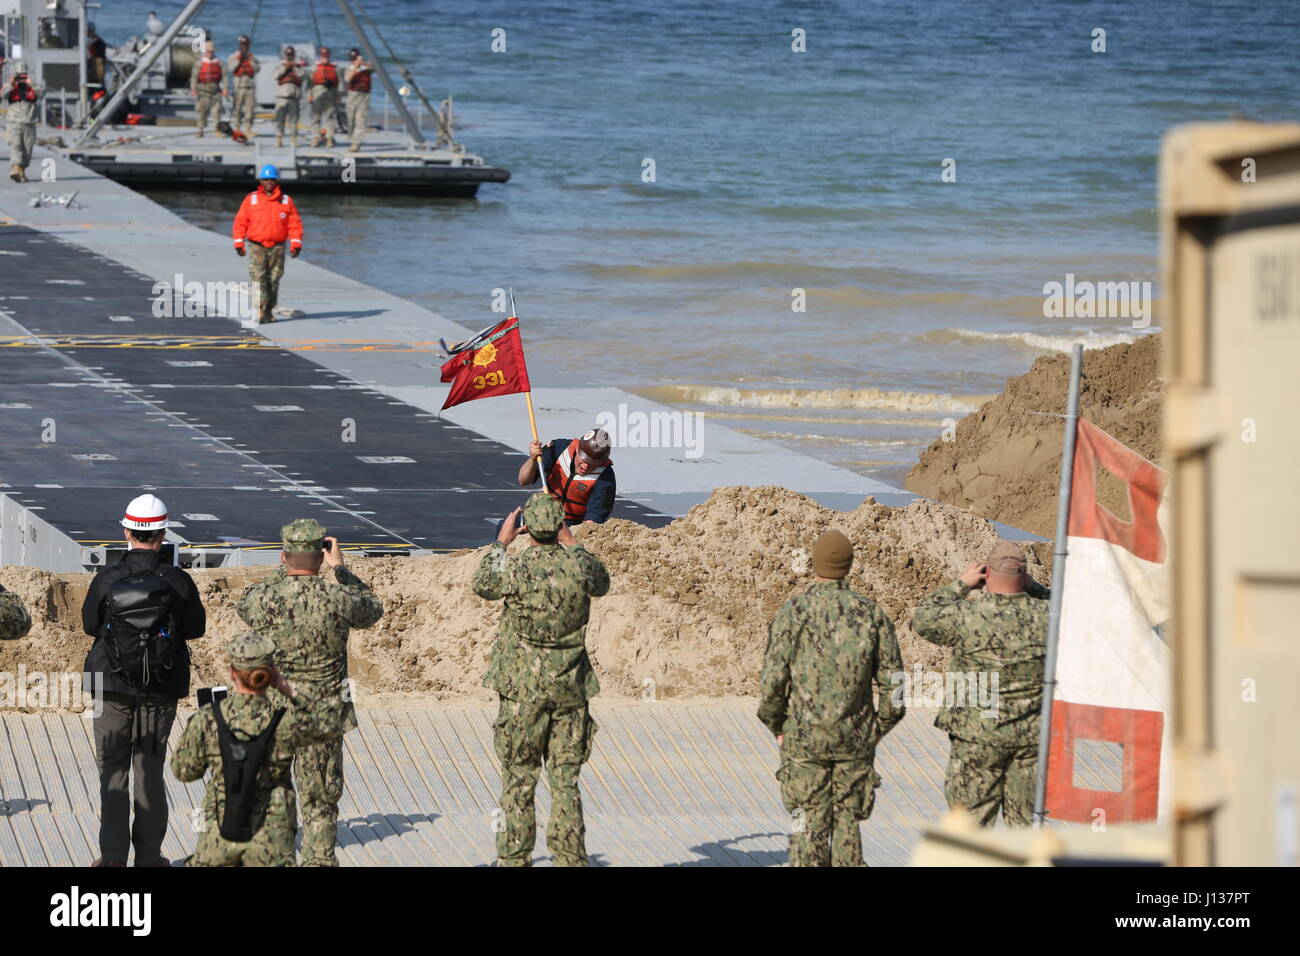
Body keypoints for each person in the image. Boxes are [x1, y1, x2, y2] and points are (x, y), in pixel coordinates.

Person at [471, 493, 610, 866]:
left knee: (518, 779)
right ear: (560, 527)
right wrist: (573, 542)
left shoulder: (515, 570)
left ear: (527, 528)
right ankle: (569, 858)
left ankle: (515, 858)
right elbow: (601, 581)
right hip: (570, 689)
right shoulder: (579, 569)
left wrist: (502, 542)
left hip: (522, 691)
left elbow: (483, 583)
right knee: (565, 781)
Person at [235, 519, 383, 867]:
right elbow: (372, 608)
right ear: (321, 555)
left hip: (275, 713)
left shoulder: (268, 598)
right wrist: (341, 569)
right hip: (324, 715)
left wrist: (283, 570)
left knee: (274, 795)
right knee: (320, 801)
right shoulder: (338, 597)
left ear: (284, 555)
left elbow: (246, 606)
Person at [757, 529, 905, 867]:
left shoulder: (794, 612)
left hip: (804, 741)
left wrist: (778, 727)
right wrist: (874, 729)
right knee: (848, 823)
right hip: (854, 740)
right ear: (849, 565)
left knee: (807, 822)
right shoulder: (872, 614)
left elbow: (772, 684)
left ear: (815, 564)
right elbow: (894, 685)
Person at [81, 494, 206, 867]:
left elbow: (90, 625)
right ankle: (149, 858)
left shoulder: (107, 578)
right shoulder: (176, 580)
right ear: (163, 534)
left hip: (112, 684)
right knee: (149, 769)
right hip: (160, 686)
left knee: (113, 771)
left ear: (126, 531)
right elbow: (195, 629)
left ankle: (113, 858)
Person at [171, 632, 345, 867]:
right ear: (271, 674)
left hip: (220, 829)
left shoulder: (209, 718)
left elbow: (184, 771)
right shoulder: (287, 720)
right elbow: (330, 724)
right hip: (272, 835)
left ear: (233, 673)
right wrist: (289, 691)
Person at [911, 540, 1049, 827]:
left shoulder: (968, 616)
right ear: (1023, 575)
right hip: (1030, 741)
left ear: (987, 574)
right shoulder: (1047, 617)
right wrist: (1034, 588)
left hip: (976, 739)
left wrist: (962, 584)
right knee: (1026, 830)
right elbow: (1073, 612)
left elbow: (923, 618)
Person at [232, 164, 303, 325]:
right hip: (257, 246)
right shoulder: (252, 199)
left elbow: (294, 224)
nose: (269, 182)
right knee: (258, 278)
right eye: (266, 179)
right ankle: (260, 310)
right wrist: (238, 242)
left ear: (276, 180)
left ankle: (269, 310)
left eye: (272, 179)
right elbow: (240, 222)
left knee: (274, 278)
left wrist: (296, 244)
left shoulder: (286, 201)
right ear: (261, 181)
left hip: (278, 247)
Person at [517, 427, 617, 526]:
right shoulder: (558, 449)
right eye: (584, 459)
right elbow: (523, 480)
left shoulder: (606, 478)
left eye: (592, 463)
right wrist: (532, 459)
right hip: (543, 515)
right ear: (578, 448)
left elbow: (592, 522)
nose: (585, 466)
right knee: (507, 525)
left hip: (573, 525)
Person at [4, 62, 41, 183]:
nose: (22, 78)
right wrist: (11, 83)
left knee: (27, 149)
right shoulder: (11, 85)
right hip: (14, 121)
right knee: (16, 146)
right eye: (20, 75)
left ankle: (21, 172)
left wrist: (32, 84)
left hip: (29, 121)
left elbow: (42, 93)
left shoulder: (33, 85)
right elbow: (2, 95)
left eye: (24, 75)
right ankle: (15, 169)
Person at [189, 40, 225, 137]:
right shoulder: (199, 63)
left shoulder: (219, 63)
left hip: (215, 91)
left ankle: (217, 130)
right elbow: (194, 77)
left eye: (212, 51)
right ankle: (200, 130)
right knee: (201, 111)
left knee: (217, 112)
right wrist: (193, 88)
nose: (210, 53)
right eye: (208, 51)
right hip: (203, 91)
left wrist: (225, 88)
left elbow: (224, 76)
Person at [226, 35, 259, 138]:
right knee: (237, 109)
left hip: (249, 86)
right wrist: (239, 60)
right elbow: (231, 69)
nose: (244, 47)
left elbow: (257, 69)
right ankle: (237, 128)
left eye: (246, 45)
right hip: (238, 86)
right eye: (242, 45)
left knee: (250, 109)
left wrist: (250, 61)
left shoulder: (252, 57)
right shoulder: (233, 56)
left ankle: (248, 129)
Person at [273, 45, 305, 147]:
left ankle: (293, 139)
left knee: (293, 119)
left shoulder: (298, 66)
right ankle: (278, 138)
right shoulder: (280, 65)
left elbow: (302, 76)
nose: (290, 57)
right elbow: (275, 75)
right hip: (282, 96)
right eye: (288, 55)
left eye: (291, 55)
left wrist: (294, 67)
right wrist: (285, 67)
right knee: (279, 119)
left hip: (294, 96)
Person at [343, 48, 373, 152]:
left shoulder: (366, 68)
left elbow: (374, 68)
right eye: (353, 59)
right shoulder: (350, 68)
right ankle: (351, 136)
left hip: (364, 95)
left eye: (356, 58)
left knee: (360, 118)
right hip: (353, 94)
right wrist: (356, 66)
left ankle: (356, 143)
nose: (355, 60)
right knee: (351, 117)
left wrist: (363, 63)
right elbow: (348, 78)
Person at [308, 46, 339, 148]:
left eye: (326, 55)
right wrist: (310, 95)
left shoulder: (334, 68)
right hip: (318, 94)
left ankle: (329, 138)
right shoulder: (315, 67)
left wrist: (338, 96)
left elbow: (339, 83)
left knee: (330, 117)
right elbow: (310, 83)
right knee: (316, 117)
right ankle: (316, 138)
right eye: (323, 55)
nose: (325, 57)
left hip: (330, 94)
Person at [87, 23, 107, 89]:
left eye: (90, 31)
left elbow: (100, 56)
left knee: (97, 83)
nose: (89, 33)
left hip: (96, 66)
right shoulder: (95, 41)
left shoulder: (98, 42)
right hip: (92, 65)